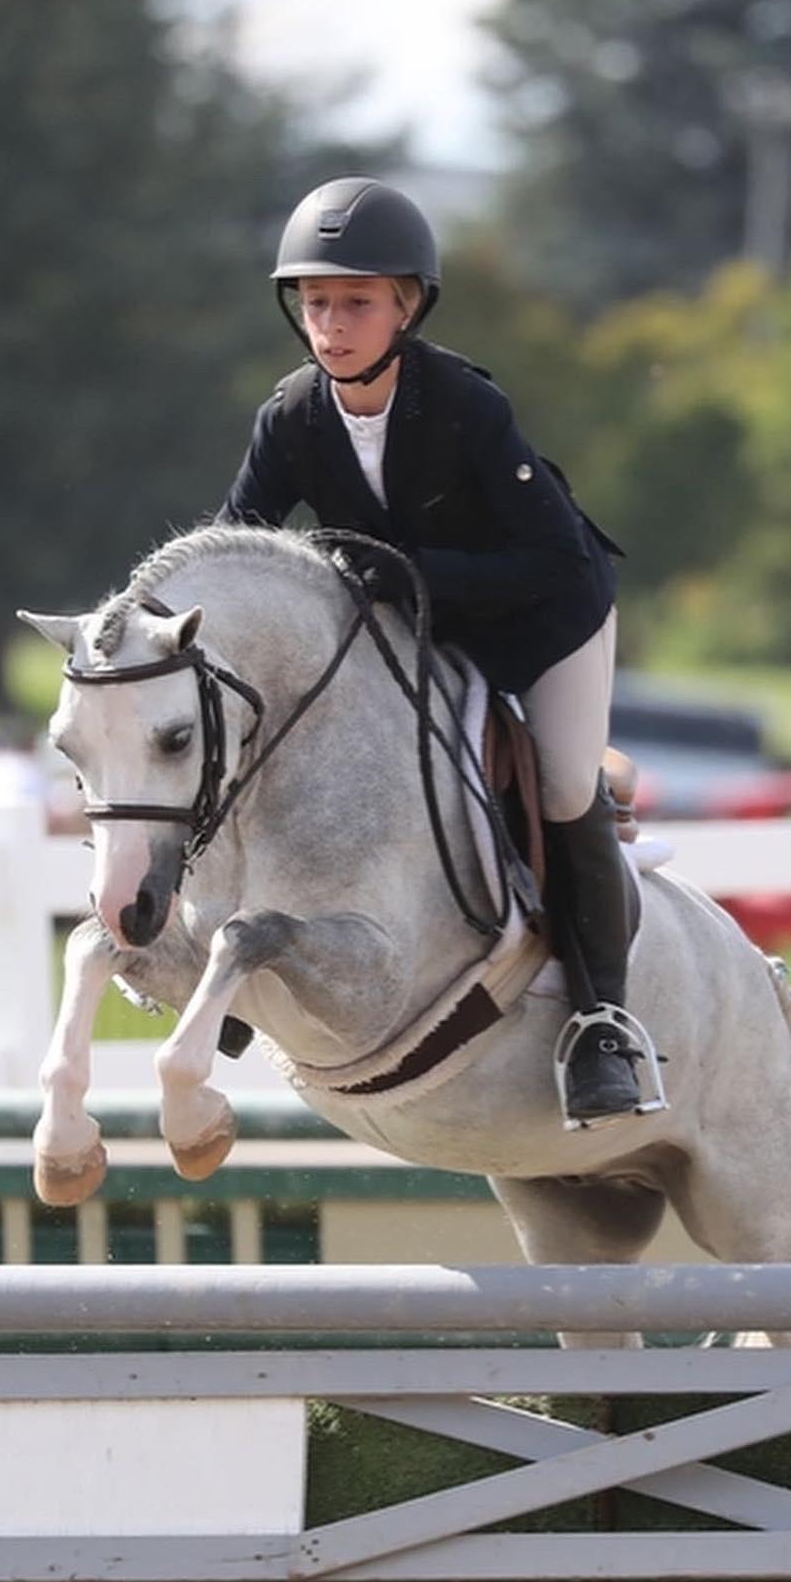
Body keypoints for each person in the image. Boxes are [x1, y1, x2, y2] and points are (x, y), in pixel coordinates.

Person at [217, 175, 651, 1123]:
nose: (332, 325)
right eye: (317, 302)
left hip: (546, 620)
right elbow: (236, 545)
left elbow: (544, 558)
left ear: (408, 305)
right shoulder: (290, 416)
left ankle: (603, 1025)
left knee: (565, 784)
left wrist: (395, 568)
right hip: (422, 628)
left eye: (357, 303)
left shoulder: (465, 407)